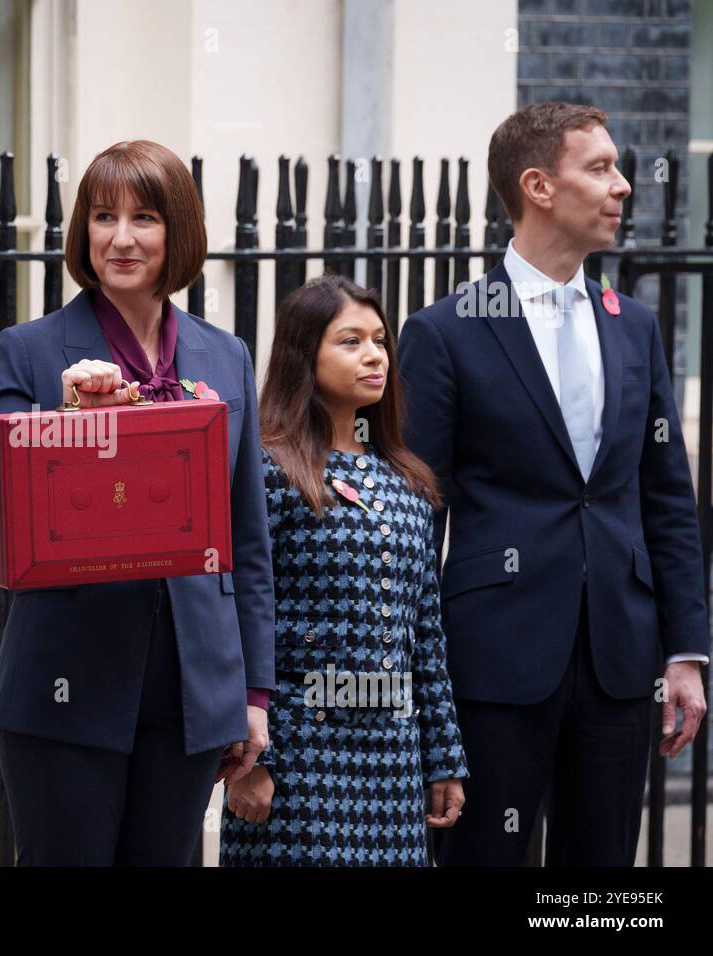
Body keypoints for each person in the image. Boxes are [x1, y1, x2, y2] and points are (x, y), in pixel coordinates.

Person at [398, 101, 709, 866]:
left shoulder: (632, 325)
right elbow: (413, 517)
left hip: (617, 660)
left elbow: (667, 499)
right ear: (538, 186)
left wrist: (686, 653)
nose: (624, 186)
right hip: (493, 664)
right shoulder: (445, 331)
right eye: (599, 168)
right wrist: (412, 678)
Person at [0, 140, 274, 866]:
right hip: (65, 685)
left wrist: (253, 693)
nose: (122, 238)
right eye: (103, 217)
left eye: (145, 218)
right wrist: (64, 423)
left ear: (180, 234)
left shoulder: (224, 356)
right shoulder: (31, 349)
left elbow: (247, 544)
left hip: (191, 690)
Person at [219, 275, 467, 866]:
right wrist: (248, 765)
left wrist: (443, 756)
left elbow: (424, 637)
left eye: (379, 340)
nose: (374, 355)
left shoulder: (409, 482)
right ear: (306, 355)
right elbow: (234, 620)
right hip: (295, 757)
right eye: (350, 341)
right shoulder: (265, 469)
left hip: (393, 762)